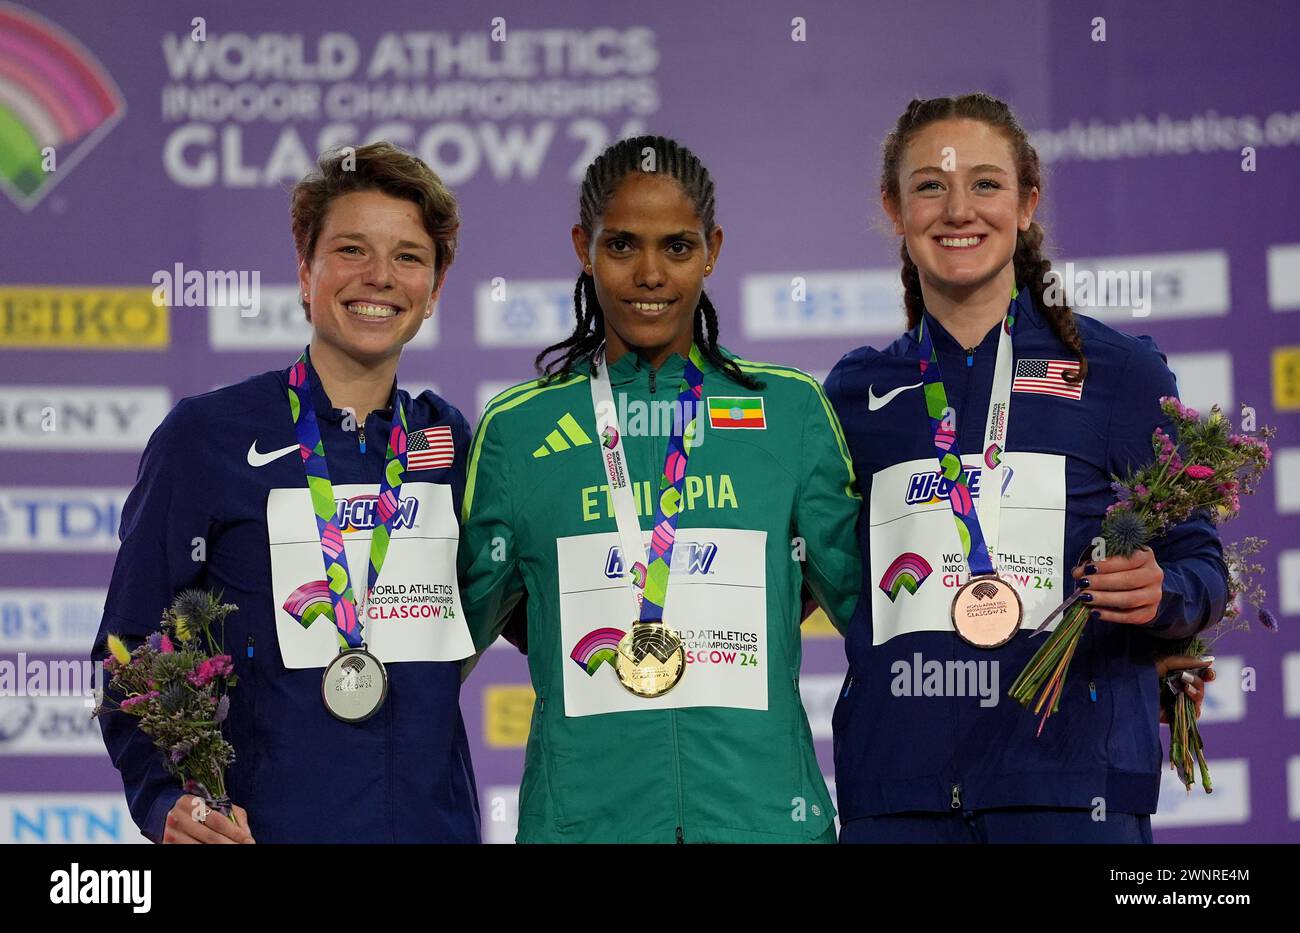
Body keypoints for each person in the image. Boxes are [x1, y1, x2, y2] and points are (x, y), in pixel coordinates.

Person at [825, 94, 1229, 844]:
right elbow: (817, 573)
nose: (958, 210)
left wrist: (1161, 593)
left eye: (985, 184)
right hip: (898, 796)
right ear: (894, 207)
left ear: (1027, 201)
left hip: (1072, 795)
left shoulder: (1114, 371)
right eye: (929, 186)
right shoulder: (853, 393)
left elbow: (1200, 563)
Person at [458, 135, 861, 843]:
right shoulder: (519, 430)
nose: (650, 273)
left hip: (765, 823)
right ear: (584, 246)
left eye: (677, 246)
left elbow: (869, 609)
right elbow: (450, 637)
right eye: (622, 246)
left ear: (713, 250)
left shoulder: (788, 412)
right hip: (584, 826)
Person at [94, 142, 480, 843]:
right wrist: (165, 802)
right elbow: (128, 648)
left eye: (408, 257)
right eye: (352, 249)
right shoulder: (205, 435)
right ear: (305, 270)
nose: (379, 277)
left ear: (436, 286)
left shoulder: (451, 443)